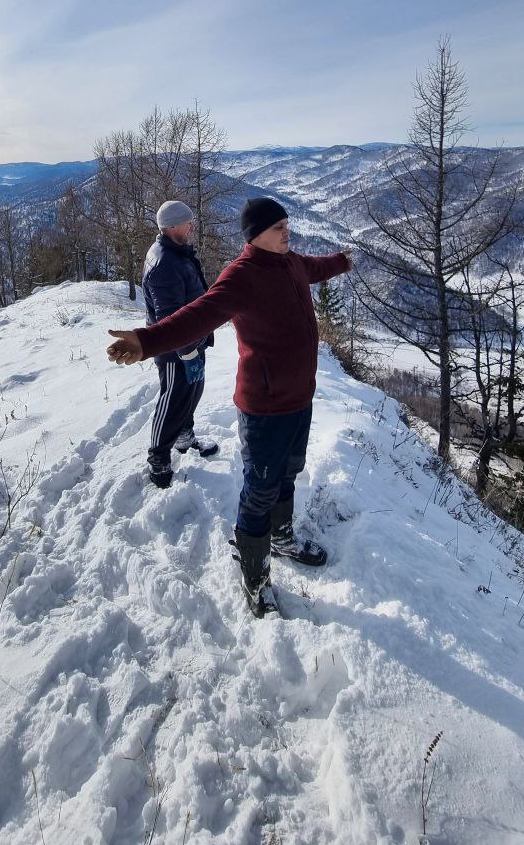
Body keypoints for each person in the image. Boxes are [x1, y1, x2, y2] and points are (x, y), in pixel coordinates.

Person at [108, 196, 351, 617]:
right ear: (255, 235)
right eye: (279, 228)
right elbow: (194, 316)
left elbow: (315, 267)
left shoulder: (291, 261)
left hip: (299, 400)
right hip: (264, 408)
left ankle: (282, 537)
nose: (287, 233)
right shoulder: (242, 276)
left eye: (287, 225)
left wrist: (341, 261)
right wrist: (146, 342)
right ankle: (255, 577)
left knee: (288, 474)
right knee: (260, 490)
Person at [142, 200, 220, 489]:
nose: (193, 226)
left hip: (191, 343)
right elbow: (168, 317)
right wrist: (186, 353)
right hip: (176, 350)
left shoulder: (175, 252)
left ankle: (184, 437)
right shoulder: (164, 263)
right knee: (173, 398)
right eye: (188, 222)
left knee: (191, 392)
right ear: (173, 226)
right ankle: (158, 460)